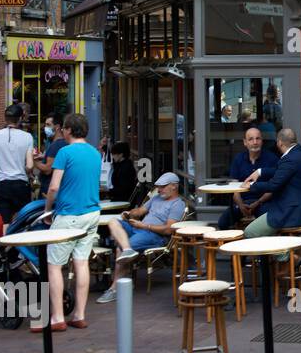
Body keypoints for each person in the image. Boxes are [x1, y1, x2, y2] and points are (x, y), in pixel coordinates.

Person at [42, 112, 101, 331]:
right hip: (92, 212)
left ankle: (57, 316)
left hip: (69, 214)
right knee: (82, 263)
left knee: (55, 265)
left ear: (68, 130)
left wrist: (48, 209)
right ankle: (79, 314)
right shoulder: (95, 152)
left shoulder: (65, 152)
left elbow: (54, 186)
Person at [97, 172, 187, 303]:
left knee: (119, 249)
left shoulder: (177, 204)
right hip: (138, 228)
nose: (159, 189)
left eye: (163, 186)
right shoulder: (156, 198)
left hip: (154, 235)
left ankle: (114, 288)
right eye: (158, 187)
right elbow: (139, 211)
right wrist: (129, 214)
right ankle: (127, 252)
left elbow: (168, 230)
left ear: (174, 186)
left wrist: (145, 226)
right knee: (113, 221)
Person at [243, 127, 301, 238]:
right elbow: (283, 171)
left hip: (293, 213)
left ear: (279, 143)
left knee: (250, 232)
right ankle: (284, 251)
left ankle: (281, 253)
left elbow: (273, 185)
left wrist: (251, 185)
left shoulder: (289, 159)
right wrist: (260, 172)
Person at [215, 125, 280, 229]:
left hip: (263, 202)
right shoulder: (238, 159)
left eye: (258, 138)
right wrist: (241, 205)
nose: (255, 142)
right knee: (223, 223)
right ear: (245, 142)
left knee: (270, 223)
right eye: (251, 139)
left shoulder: (272, 159)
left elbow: (274, 187)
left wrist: (258, 202)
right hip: (242, 202)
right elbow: (234, 187)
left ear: (262, 141)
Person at [0, 104, 35, 223]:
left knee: (4, 220)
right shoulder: (28, 137)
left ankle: (5, 240)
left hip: (1, 185)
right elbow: (30, 165)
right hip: (21, 184)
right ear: (20, 118)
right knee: (23, 219)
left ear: (5, 118)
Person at [34, 114, 68, 199]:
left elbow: (48, 169)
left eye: (48, 125)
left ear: (57, 127)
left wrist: (33, 160)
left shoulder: (55, 145)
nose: (45, 128)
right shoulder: (63, 143)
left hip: (48, 191)